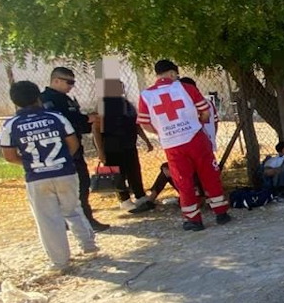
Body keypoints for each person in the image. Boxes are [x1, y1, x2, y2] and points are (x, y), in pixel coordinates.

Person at [0, 80, 98, 270]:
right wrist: (62, 160)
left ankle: (60, 261)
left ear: (15, 102)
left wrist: (32, 163)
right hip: (65, 171)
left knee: (48, 219)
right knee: (74, 208)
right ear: (38, 97)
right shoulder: (56, 117)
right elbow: (73, 143)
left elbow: (9, 156)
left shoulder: (10, 125)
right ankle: (89, 245)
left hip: (37, 176)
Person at [137, 60, 233, 231]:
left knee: (183, 181)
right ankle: (221, 213)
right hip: (195, 138)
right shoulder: (185, 88)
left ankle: (194, 220)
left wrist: (163, 132)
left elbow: (144, 123)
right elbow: (204, 112)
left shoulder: (146, 95)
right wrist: (196, 123)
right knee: (209, 174)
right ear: (173, 73)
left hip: (172, 145)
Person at [40, 67, 109, 231]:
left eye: (73, 82)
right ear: (56, 80)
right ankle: (74, 221)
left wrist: (88, 120)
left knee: (82, 184)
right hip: (59, 150)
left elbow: (78, 123)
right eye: (68, 82)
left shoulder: (65, 99)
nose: (71, 86)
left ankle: (83, 218)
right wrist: (85, 118)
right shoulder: (45, 100)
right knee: (70, 186)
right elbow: (63, 122)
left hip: (74, 149)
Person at [95, 79, 154, 211]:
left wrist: (147, 141)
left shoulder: (127, 104)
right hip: (112, 146)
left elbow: (136, 124)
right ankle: (124, 200)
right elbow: (96, 129)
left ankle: (140, 196)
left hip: (128, 144)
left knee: (134, 170)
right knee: (117, 173)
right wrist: (100, 151)